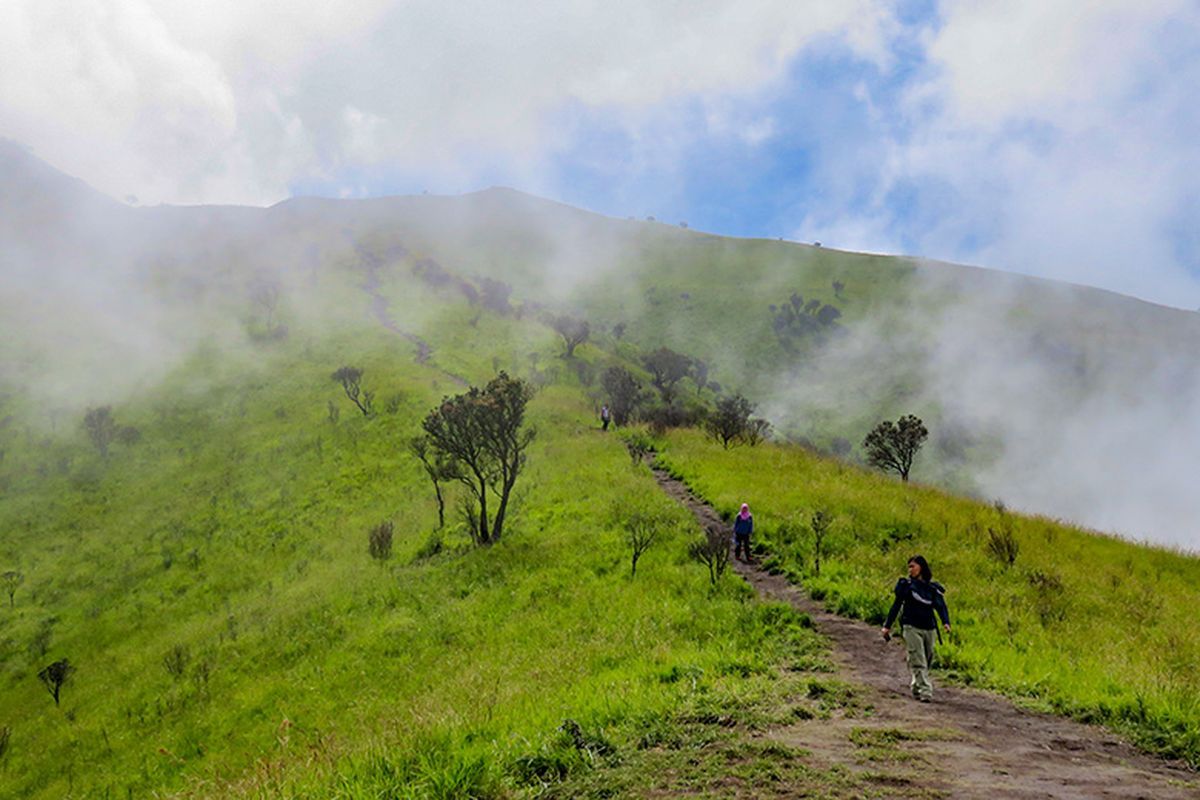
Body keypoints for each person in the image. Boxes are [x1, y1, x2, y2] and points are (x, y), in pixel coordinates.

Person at [881, 555, 950, 702]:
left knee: (927, 658)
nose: (910, 570)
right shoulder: (906, 586)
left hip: (929, 628)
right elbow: (896, 605)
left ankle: (916, 685)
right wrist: (887, 626)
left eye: (913, 566)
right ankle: (926, 691)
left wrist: (946, 622)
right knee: (918, 659)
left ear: (921, 567)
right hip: (911, 627)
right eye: (909, 567)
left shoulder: (932, 588)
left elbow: (941, 606)